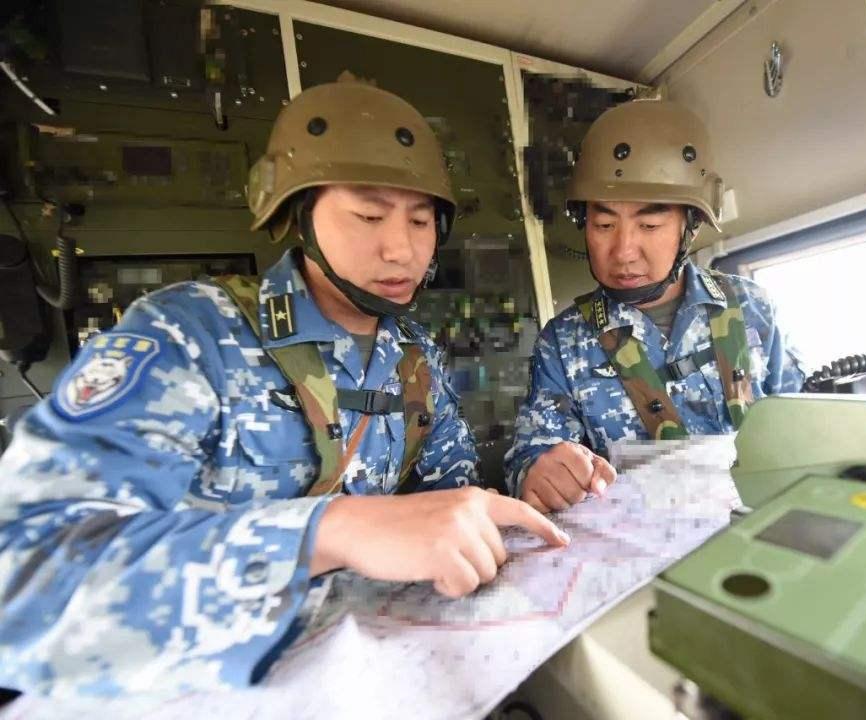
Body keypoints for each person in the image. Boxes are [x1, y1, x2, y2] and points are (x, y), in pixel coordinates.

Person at [0, 72, 568, 696]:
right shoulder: (189, 334)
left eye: (421, 220)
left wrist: (522, 489)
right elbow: (21, 578)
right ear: (300, 214)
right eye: (369, 214)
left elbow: (450, 498)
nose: (402, 250)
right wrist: (327, 532)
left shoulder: (415, 356)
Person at [505, 98, 804, 512]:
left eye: (649, 225)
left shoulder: (753, 308)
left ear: (689, 226)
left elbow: (803, 427)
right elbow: (530, 459)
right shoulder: (563, 342)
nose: (623, 251)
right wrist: (538, 473)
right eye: (604, 224)